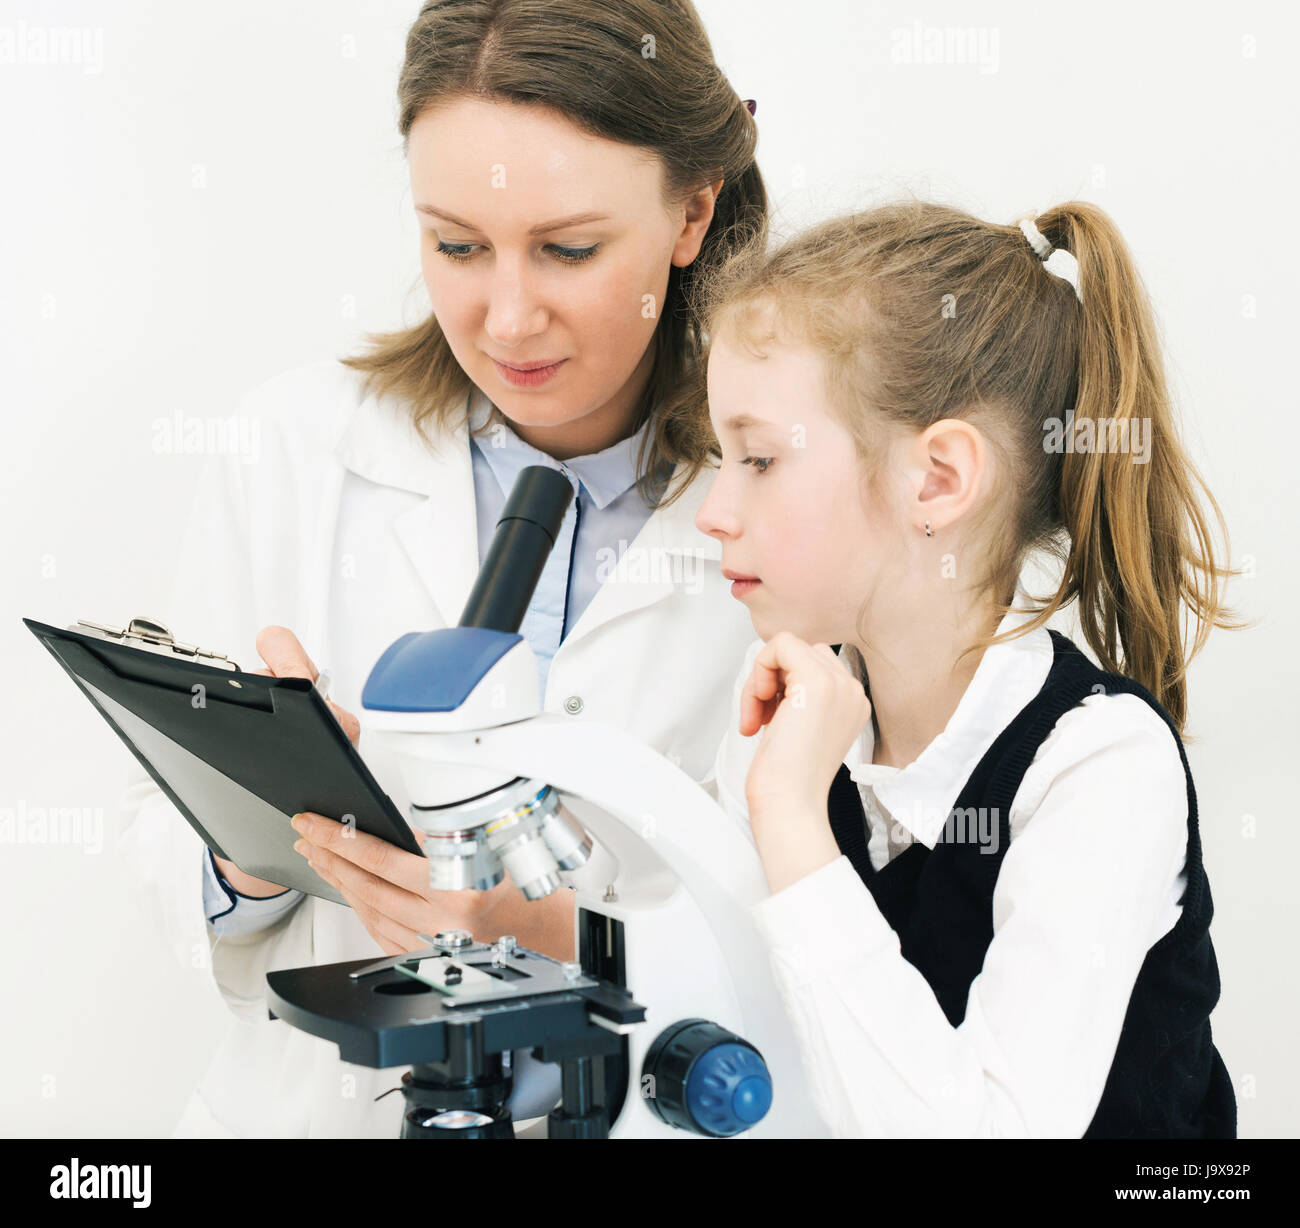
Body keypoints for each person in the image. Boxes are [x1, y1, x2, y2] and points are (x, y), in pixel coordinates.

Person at [117, 0, 767, 1138]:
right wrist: (258, 840)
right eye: (456, 245)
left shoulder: (789, 495)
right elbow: (159, 856)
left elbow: (855, 925)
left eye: (569, 248)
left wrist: (559, 926)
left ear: (692, 209)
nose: (506, 315)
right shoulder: (294, 448)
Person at [694, 198, 1244, 1138]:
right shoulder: (798, 731)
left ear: (938, 479)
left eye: (757, 459)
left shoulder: (1101, 764)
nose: (712, 509)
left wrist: (787, 817)